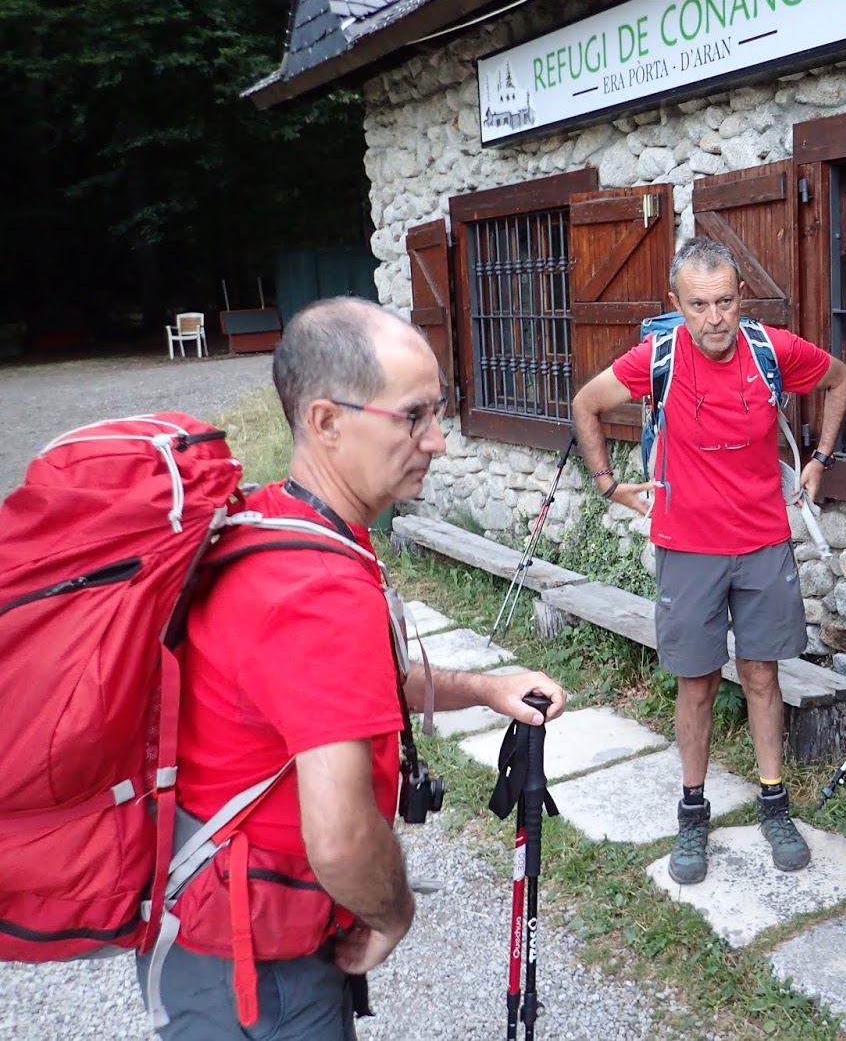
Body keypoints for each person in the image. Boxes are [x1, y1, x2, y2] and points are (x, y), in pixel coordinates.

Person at [134, 297, 569, 1040]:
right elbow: (338, 837)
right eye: (414, 416)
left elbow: (342, 692)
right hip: (253, 974)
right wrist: (394, 914)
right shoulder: (316, 592)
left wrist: (485, 690)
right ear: (327, 423)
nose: (437, 441)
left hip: (211, 936)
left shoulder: (281, 523)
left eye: (439, 413)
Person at [570, 236, 846, 884]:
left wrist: (821, 460)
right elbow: (586, 403)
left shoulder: (771, 349)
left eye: (725, 301)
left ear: (740, 297)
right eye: (699, 305)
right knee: (695, 683)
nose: (715, 318)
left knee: (762, 676)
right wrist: (609, 484)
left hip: (762, 543)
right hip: (687, 547)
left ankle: (773, 804)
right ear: (677, 304)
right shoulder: (658, 356)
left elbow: (838, 379)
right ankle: (692, 814)